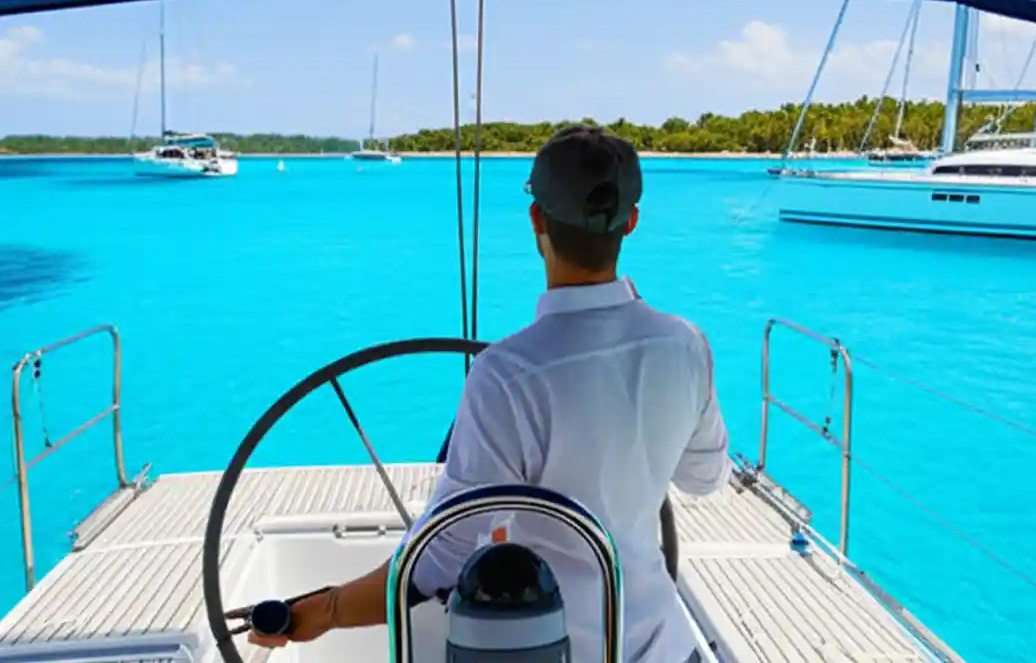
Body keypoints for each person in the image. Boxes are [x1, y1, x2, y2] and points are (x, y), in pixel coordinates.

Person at [249, 125, 731, 662]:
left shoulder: (507, 373)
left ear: (536, 222)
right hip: (665, 646)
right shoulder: (686, 345)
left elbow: (438, 562)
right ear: (631, 223)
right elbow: (705, 479)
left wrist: (326, 610)